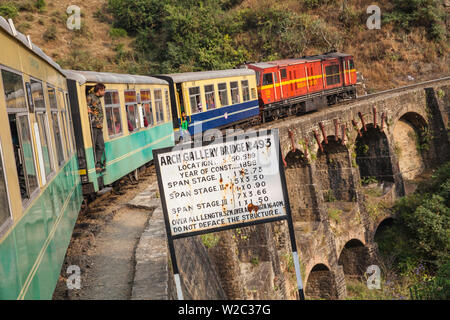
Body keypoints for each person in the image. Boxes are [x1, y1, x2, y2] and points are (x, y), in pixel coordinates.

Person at [87, 83, 106, 173]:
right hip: (93, 125)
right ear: (99, 90)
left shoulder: (98, 99)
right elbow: (85, 108)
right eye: (103, 90)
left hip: (99, 126)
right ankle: (94, 165)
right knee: (93, 145)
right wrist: (90, 112)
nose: (104, 92)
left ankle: (98, 164)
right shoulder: (90, 97)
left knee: (101, 145)